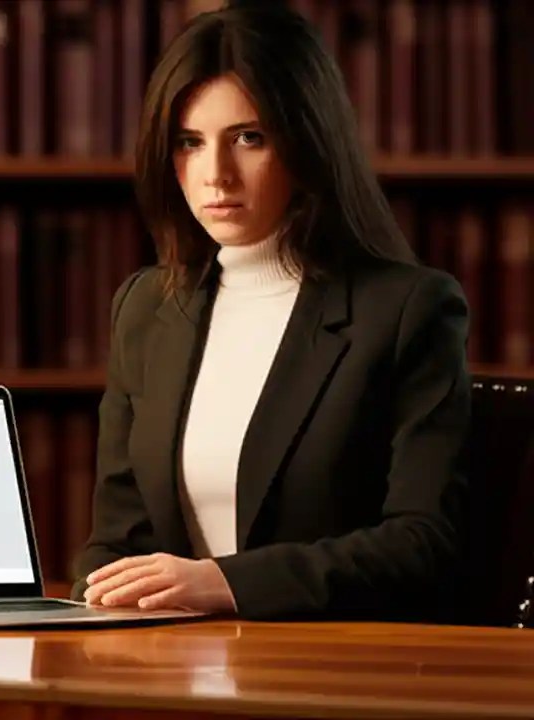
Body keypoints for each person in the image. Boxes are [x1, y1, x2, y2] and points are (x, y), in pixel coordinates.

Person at [69, 2, 470, 621]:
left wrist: (223, 583)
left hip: (334, 668)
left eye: (249, 138)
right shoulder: (147, 307)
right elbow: (118, 542)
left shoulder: (409, 309)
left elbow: (424, 543)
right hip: (169, 670)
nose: (216, 175)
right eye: (190, 143)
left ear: (307, 140)